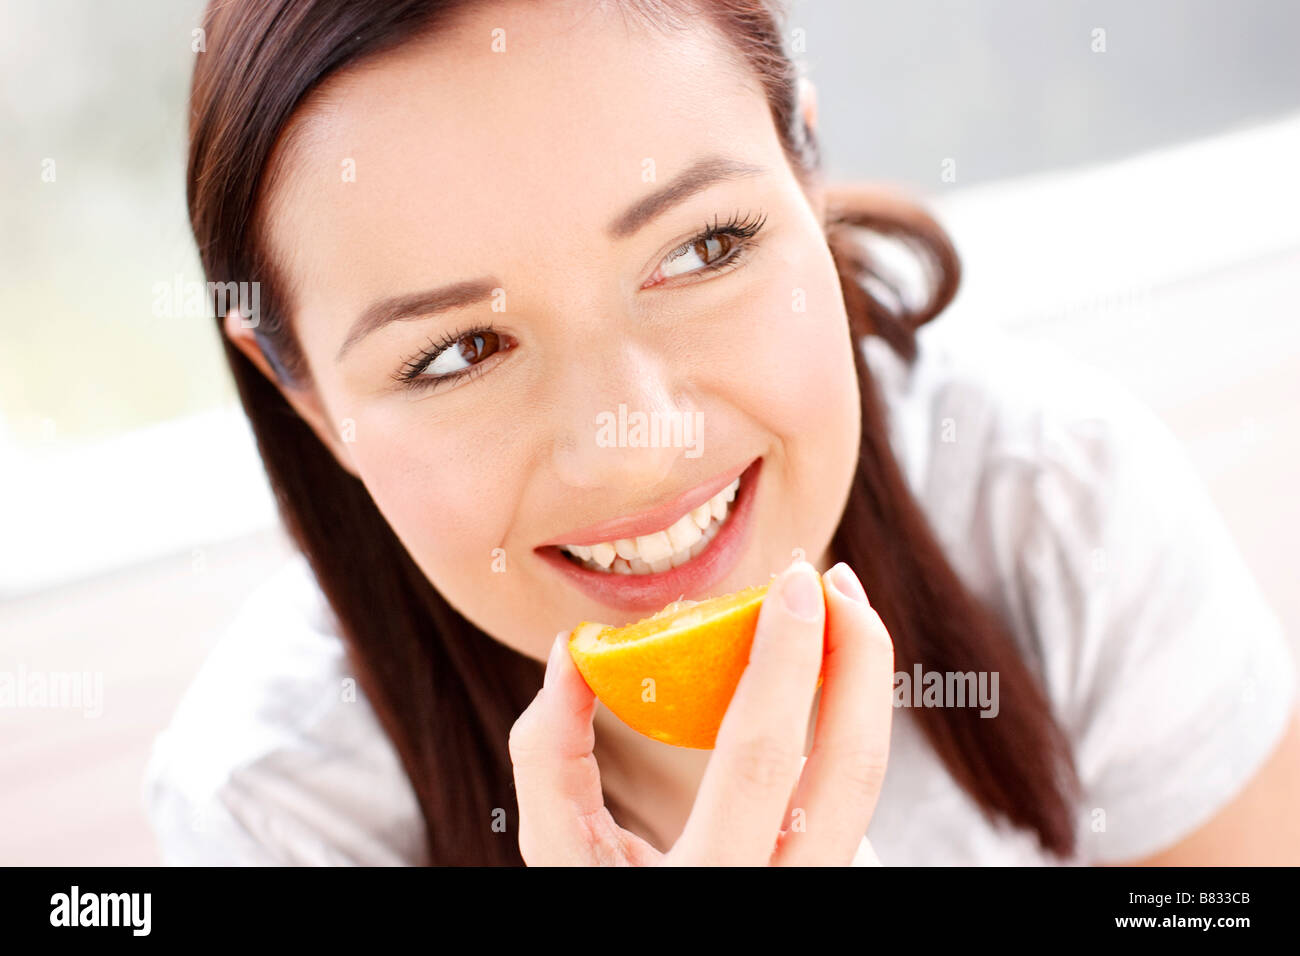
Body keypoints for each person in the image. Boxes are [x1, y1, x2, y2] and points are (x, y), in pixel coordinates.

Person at [143, 0, 1299, 865]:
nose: (633, 445)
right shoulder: (270, 810)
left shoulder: (1062, 513)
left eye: (703, 249)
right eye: (455, 352)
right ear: (310, 406)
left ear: (805, 168)